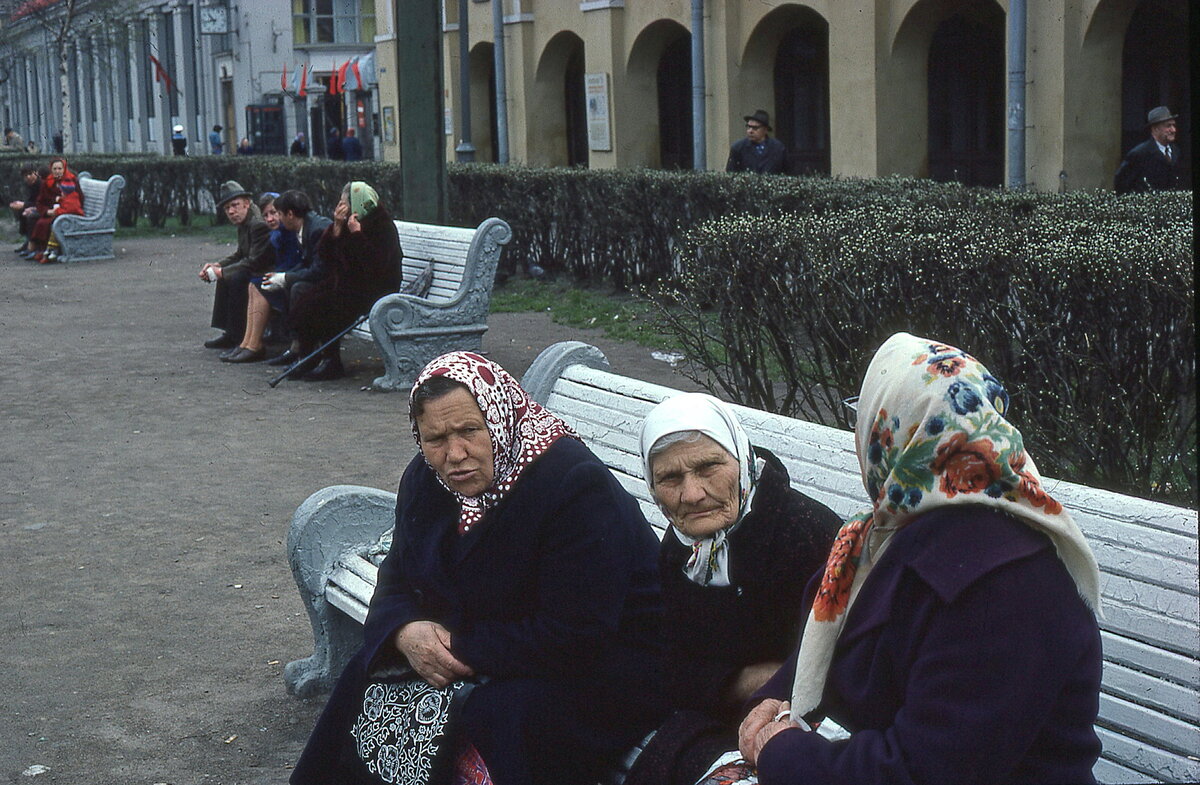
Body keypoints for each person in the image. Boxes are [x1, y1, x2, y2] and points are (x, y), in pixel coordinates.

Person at [733, 332, 1102, 785]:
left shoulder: (1007, 584)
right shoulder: (879, 538)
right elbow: (826, 661)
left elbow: (923, 771)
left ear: (888, 435)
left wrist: (782, 750)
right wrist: (772, 703)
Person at [292, 351, 668, 785]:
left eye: (470, 430)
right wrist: (404, 632)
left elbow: (577, 632)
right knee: (370, 671)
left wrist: (456, 647)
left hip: (605, 664)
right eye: (435, 438)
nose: (455, 454)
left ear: (499, 418)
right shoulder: (426, 482)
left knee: (498, 714)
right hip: (494, 642)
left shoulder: (571, 484)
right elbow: (396, 581)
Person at [625, 393, 841, 785]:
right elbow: (674, 669)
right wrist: (742, 680)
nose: (691, 494)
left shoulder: (805, 535)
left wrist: (766, 685)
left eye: (709, 467)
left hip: (804, 728)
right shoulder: (681, 549)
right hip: (720, 720)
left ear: (742, 462)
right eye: (670, 478)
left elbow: (841, 666)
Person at [282, 181, 400, 381]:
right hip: (353, 283)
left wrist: (356, 234)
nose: (341, 207)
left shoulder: (382, 225)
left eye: (345, 202)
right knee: (307, 300)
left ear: (359, 203)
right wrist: (336, 227)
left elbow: (375, 266)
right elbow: (327, 257)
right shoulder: (351, 221)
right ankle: (308, 356)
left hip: (377, 288)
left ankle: (331, 362)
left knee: (329, 305)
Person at [198, 180, 275, 354]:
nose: (231, 211)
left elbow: (254, 261)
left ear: (246, 203)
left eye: (235, 205)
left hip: (267, 268)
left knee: (236, 278)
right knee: (226, 276)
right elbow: (241, 254)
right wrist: (218, 266)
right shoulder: (244, 221)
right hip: (255, 265)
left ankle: (239, 336)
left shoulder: (257, 224)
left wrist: (222, 272)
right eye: (227, 208)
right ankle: (230, 333)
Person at [259, 189, 333, 367]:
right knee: (293, 284)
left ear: (290, 214)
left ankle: (305, 353)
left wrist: (285, 278)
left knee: (298, 288)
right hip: (327, 279)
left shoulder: (316, 230)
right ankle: (298, 348)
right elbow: (308, 262)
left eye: (280, 214)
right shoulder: (306, 226)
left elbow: (318, 270)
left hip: (336, 284)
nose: (279, 219)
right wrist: (283, 276)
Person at [1114, 105, 1186, 194]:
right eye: (1168, 126)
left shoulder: (1176, 151)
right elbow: (1121, 184)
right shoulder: (1139, 154)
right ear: (1155, 129)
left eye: (1174, 125)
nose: (1173, 130)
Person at [29, 157, 84, 264]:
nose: (57, 171)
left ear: (64, 169)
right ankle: (41, 249)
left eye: (60, 168)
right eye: (54, 169)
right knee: (40, 221)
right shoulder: (48, 182)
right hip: (52, 211)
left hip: (68, 212)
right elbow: (40, 201)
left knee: (49, 223)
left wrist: (62, 208)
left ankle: (51, 250)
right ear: (51, 170)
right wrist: (46, 211)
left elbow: (79, 199)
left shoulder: (71, 180)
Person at [9, 163, 43, 257]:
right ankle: (27, 240)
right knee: (22, 212)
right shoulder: (31, 185)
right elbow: (32, 200)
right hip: (37, 207)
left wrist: (24, 205)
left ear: (36, 173)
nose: (28, 177)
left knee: (30, 215)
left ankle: (32, 244)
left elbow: (40, 202)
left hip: (44, 209)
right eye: (25, 176)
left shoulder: (41, 184)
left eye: (30, 174)